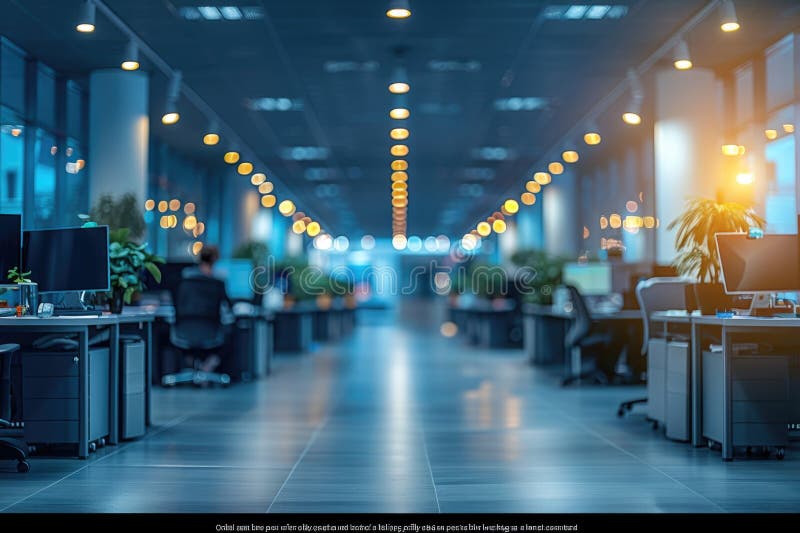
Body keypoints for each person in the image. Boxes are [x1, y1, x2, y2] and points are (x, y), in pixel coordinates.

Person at [180, 245, 231, 375]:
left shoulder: (185, 278)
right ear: (215, 260)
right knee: (231, 331)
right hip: (211, 330)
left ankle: (191, 363)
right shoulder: (217, 282)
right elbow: (228, 305)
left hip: (184, 330)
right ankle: (207, 367)